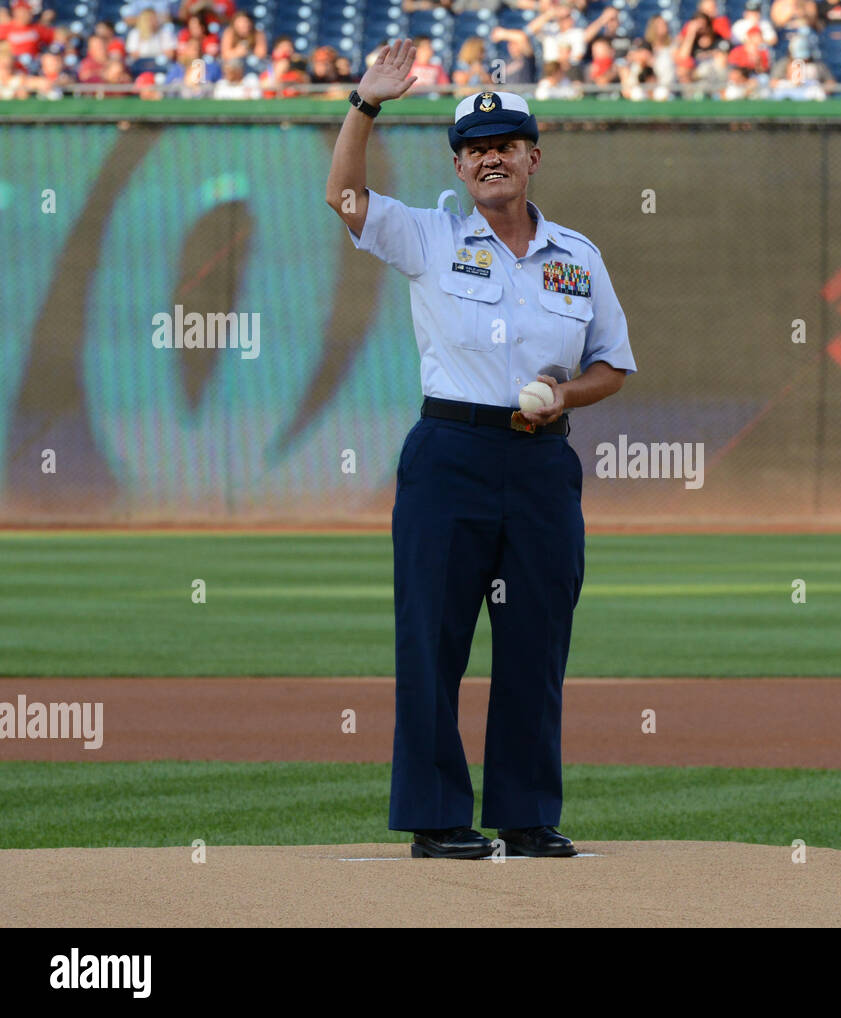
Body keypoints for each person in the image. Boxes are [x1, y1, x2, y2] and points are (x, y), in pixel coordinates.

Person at [325, 49, 636, 859]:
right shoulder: (430, 236)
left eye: (507, 141)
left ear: (535, 156)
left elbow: (613, 364)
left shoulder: (578, 257)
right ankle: (436, 819)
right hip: (449, 454)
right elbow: (345, 197)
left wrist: (565, 395)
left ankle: (526, 815)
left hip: (540, 464)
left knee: (536, 643)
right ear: (458, 164)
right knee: (433, 638)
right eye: (474, 146)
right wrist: (366, 103)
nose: (491, 155)